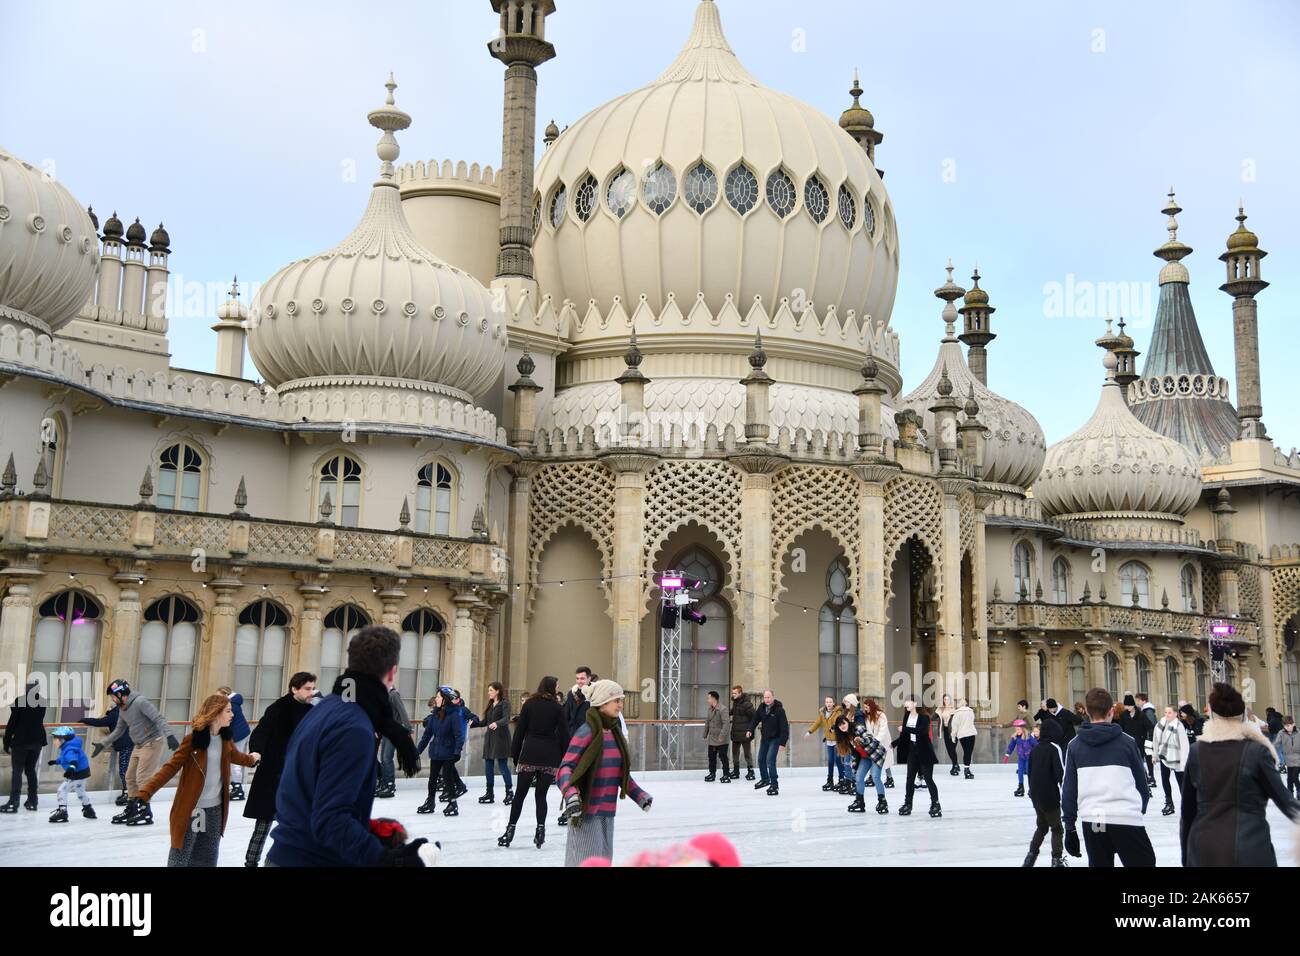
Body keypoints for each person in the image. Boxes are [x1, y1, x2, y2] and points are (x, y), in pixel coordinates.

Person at [268, 625, 432, 867]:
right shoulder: (353, 727)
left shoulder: (326, 709)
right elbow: (330, 819)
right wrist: (386, 860)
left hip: (292, 852)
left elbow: (310, 796)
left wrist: (368, 831)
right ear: (392, 673)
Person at [1180, 683, 1300, 866]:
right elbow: (1286, 801)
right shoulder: (1257, 751)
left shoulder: (1197, 751)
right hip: (1250, 847)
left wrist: (1187, 856)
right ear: (1243, 716)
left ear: (1212, 716)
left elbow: (1187, 811)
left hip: (1205, 848)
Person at [136, 693, 261, 866]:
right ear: (216, 713)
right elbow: (170, 768)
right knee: (183, 856)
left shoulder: (226, 740)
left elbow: (237, 757)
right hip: (195, 810)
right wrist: (145, 792)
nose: (232, 715)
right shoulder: (194, 740)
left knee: (207, 857)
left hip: (215, 810)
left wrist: (253, 759)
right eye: (228, 711)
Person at [556, 679, 652, 866]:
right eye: (616, 700)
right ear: (602, 702)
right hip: (586, 813)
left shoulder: (614, 733)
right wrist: (571, 795)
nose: (620, 704)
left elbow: (620, 772)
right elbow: (565, 768)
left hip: (607, 813)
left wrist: (640, 795)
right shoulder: (587, 732)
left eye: (621, 700)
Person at [1061, 687, 1155, 867]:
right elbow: (1141, 783)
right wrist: (1138, 810)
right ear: (1111, 711)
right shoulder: (1127, 742)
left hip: (1096, 819)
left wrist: (1070, 826)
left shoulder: (1074, 746)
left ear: (1087, 712)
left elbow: (1069, 789)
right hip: (1125, 817)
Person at [243, 671, 316, 867]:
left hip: (297, 777)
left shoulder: (311, 712)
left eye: (313, 688)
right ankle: (251, 862)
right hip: (273, 773)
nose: (312, 692)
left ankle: (281, 862)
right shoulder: (278, 709)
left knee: (295, 824)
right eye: (307, 688)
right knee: (264, 823)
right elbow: (261, 731)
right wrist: (256, 751)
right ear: (294, 689)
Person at [91, 678, 179, 827]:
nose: (112, 699)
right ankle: (132, 809)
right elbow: (119, 730)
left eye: (113, 695)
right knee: (130, 777)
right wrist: (103, 743)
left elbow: (158, 718)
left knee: (142, 778)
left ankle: (145, 810)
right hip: (138, 745)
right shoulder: (122, 709)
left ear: (121, 694)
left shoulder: (140, 702)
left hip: (152, 742)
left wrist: (170, 735)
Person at [499, 675, 570, 849]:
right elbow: (564, 735)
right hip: (549, 756)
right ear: (552, 687)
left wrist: (515, 755)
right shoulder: (557, 707)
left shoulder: (529, 704)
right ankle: (540, 830)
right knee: (541, 796)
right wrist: (564, 758)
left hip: (530, 752)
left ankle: (510, 830)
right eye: (557, 686)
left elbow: (520, 731)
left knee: (520, 795)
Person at [1023, 716, 1073, 867]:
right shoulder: (1054, 748)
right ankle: (1056, 860)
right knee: (1057, 828)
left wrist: (1032, 791)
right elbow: (1061, 775)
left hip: (1036, 796)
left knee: (1042, 826)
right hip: (1050, 796)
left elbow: (1029, 772)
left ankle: (1030, 857)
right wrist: (1067, 795)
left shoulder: (1035, 749)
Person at [414, 688, 466, 817]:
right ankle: (430, 802)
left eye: (438, 697)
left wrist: (457, 751)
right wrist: (416, 752)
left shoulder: (454, 715)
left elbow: (459, 735)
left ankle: (453, 803)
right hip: (436, 751)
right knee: (432, 778)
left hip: (449, 752)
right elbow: (426, 736)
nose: (436, 699)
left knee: (448, 778)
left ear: (445, 699)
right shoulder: (434, 716)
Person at [838, 694, 891, 814]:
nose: (843, 727)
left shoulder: (860, 722)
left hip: (876, 752)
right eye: (840, 726)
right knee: (859, 777)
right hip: (865, 755)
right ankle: (860, 801)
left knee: (876, 777)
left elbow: (867, 734)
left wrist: (865, 740)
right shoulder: (852, 724)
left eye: (844, 724)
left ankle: (882, 801)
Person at [891, 694, 940, 817]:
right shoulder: (907, 716)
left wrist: (905, 729)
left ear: (915, 703)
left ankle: (935, 804)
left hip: (925, 750)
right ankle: (908, 804)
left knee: (928, 779)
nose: (905, 704)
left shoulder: (924, 717)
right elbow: (905, 735)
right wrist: (894, 744)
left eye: (908, 701)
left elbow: (922, 732)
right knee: (910, 778)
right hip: (912, 750)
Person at [1, 680, 46, 813]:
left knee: (17, 771)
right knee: (30, 770)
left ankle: (14, 802)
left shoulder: (20, 700)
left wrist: (6, 742)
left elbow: (12, 723)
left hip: (21, 741)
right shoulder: (42, 701)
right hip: (37, 740)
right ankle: (33, 801)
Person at [81, 696, 133, 806]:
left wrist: (85, 720)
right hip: (129, 744)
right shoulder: (123, 712)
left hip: (126, 745)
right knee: (126, 770)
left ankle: (128, 793)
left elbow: (100, 722)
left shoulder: (114, 714)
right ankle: (128, 793)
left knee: (124, 770)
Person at [472, 681, 513, 804]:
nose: (488, 692)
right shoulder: (491, 705)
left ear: (497, 691)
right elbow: (486, 721)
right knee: (488, 765)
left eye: (490, 690)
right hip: (490, 738)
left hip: (501, 738)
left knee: (502, 765)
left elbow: (506, 718)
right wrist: (474, 724)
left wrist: (497, 723)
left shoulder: (504, 704)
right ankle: (489, 793)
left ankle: (509, 792)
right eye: (488, 690)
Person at [45, 727, 95, 822]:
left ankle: (62, 812)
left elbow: (73, 760)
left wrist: (70, 769)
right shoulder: (69, 747)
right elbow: (65, 758)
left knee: (62, 790)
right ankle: (88, 809)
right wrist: (55, 761)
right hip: (83, 772)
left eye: (56, 739)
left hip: (76, 774)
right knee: (80, 791)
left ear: (63, 739)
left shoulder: (69, 749)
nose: (54, 741)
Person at [745, 689, 790, 795]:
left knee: (770, 760)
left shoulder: (779, 710)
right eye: (765, 697)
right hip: (765, 738)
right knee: (760, 759)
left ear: (773, 697)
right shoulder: (762, 707)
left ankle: (774, 785)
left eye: (769, 697)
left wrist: (783, 743)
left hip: (775, 739)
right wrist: (750, 730)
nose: (767, 699)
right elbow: (755, 719)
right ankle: (765, 779)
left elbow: (784, 728)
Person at [374, 678, 412, 800]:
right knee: (383, 758)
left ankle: (390, 785)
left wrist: (408, 729)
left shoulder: (394, 695)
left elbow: (402, 712)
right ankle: (384, 784)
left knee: (387, 758)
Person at [1151, 704, 1190, 816]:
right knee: (1165, 780)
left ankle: (1186, 805)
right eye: (1165, 712)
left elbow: (1185, 746)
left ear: (1175, 714)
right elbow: (1155, 740)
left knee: (1181, 783)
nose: (1167, 714)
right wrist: (1154, 755)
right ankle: (1169, 803)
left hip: (1177, 758)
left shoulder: (1179, 726)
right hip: (1164, 757)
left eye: (1169, 712)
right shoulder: (1160, 724)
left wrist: (1184, 763)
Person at [216, 686, 252, 801]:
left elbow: (227, 720)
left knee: (235, 760)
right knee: (233, 759)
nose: (217, 698)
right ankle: (235, 787)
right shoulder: (232, 703)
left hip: (238, 735)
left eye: (219, 695)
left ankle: (238, 788)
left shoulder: (231, 704)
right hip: (240, 733)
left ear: (226, 694)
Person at [805, 695, 847, 791]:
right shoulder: (822, 713)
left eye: (830, 702)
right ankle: (830, 780)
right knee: (830, 761)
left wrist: (834, 728)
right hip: (829, 740)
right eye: (827, 702)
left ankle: (842, 779)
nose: (828, 704)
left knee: (838, 760)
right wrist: (809, 731)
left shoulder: (838, 713)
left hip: (838, 740)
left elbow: (839, 723)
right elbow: (817, 723)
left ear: (833, 703)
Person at [728, 685, 755, 781]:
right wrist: (722, 712)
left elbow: (754, 717)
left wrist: (750, 730)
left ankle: (751, 771)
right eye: (733, 693)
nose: (733, 695)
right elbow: (731, 712)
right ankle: (736, 771)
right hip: (735, 732)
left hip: (745, 733)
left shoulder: (747, 704)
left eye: (735, 693)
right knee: (735, 752)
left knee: (747, 753)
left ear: (740, 693)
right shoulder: (735, 703)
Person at [703, 690, 732, 783]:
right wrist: (705, 734)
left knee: (723, 756)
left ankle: (726, 774)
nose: (707, 700)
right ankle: (712, 773)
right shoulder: (709, 709)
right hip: (712, 737)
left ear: (713, 698)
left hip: (721, 738)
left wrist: (722, 736)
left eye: (708, 698)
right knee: (711, 757)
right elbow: (707, 722)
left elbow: (726, 724)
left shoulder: (723, 709)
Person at [1003, 719, 1037, 797]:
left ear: (1023, 728)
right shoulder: (1015, 737)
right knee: (1020, 772)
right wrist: (1007, 755)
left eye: (1018, 729)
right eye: (1015, 729)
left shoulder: (1029, 737)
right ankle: (1021, 788)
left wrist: (1038, 755)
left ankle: (1032, 789)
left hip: (1029, 758)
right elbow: (1011, 746)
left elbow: (1036, 745)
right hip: (1021, 758)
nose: (1017, 731)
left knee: (1029, 773)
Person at [949, 697, 977, 779]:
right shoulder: (971, 711)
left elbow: (954, 725)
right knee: (969, 752)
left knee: (966, 752)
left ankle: (967, 770)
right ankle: (967, 770)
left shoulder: (957, 713)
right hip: (971, 733)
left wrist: (953, 736)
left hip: (962, 735)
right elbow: (972, 721)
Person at [1135, 693, 1157, 787]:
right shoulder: (1145, 711)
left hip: (1148, 739)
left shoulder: (1148, 711)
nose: (1137, 703)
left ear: (1144, 701)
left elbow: (1150, 726)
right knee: (1146, 758)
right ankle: (1149, 777)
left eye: (1139, 701)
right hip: (1146, 738)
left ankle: (1151, 777)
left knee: (1148, 758)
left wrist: (1148, 739)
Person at [936, 694, 959, 777]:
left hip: (954, 731)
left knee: (952, 748)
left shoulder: (954, 709)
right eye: (945, 699)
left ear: (950, 700)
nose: (946, 701)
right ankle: (955, 764)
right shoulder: (940, 709)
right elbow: (933, 717)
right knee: (949, 749)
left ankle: (955, 766)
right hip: (946, 731)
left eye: (948, 699)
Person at [1278, 716, 1299, 799]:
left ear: (1294, 724)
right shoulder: (1281, 733)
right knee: (1289, 778)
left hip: (1298, 759)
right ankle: (1290, 795)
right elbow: (1276, 743)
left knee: (1294, 776)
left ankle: (1299, 790)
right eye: (1286, 726)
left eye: (1290, 725)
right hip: (1289, 760)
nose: (1288, 727)